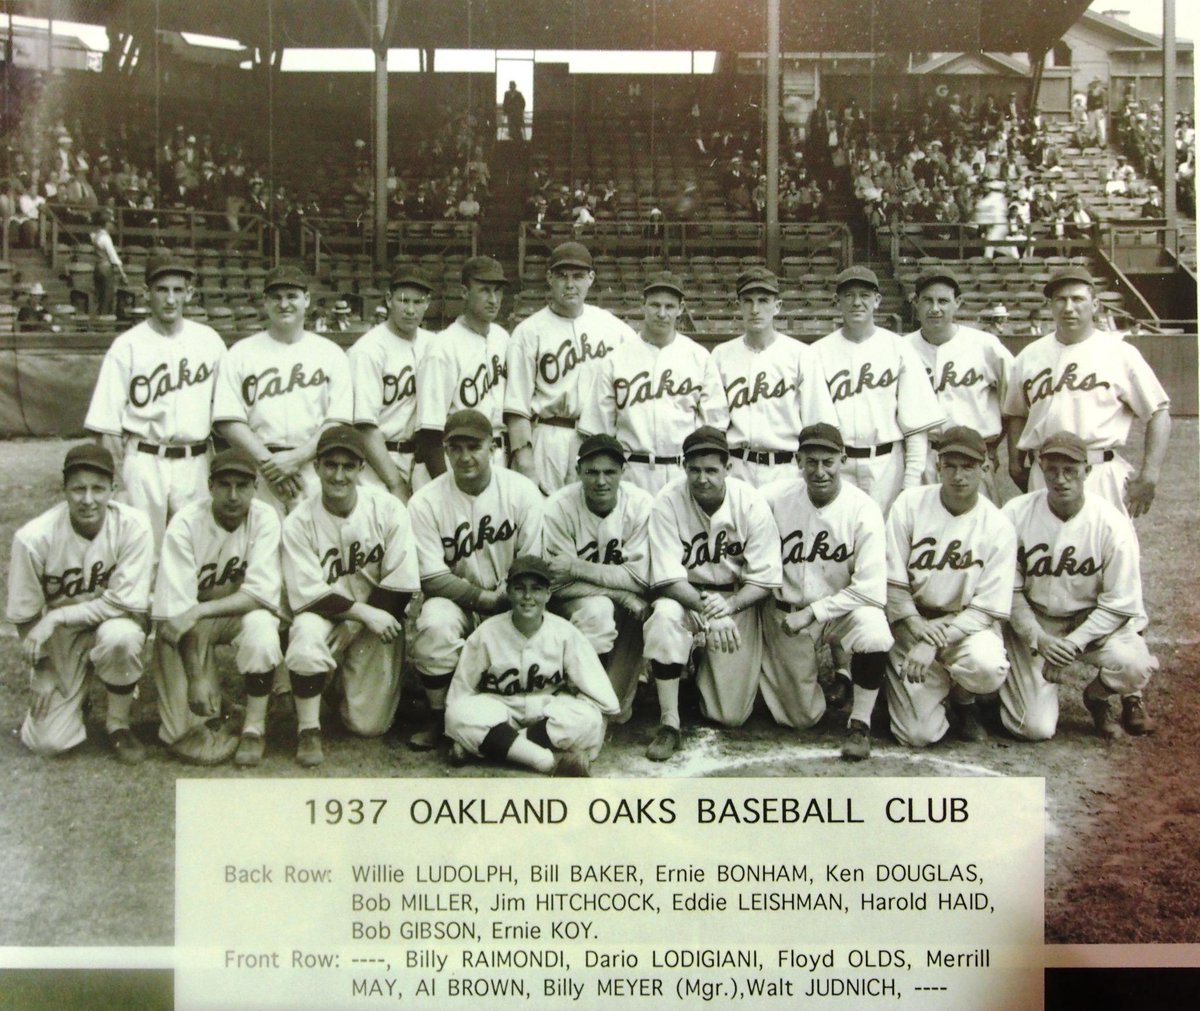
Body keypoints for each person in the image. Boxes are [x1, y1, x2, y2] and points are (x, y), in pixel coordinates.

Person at [1000, 432, 1156, 742]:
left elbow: (1120, 603)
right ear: (1041, 469)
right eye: (1052, 470)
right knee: (1034, 728)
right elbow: (1010, 592)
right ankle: (1000, 691)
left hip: (1091, 621)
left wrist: (1072, 645)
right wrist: (1039, 639)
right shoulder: (1015, 514)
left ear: (1087, 471)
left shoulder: (1111, 523)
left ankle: (1097, 696)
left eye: (1070, 470)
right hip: (1036, 620)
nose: (1061, 479)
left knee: (1135, 666)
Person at [280, 426, 420, 766]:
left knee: (368, 726)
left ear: (361, 469)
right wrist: (360, 616)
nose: (338, 475)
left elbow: (402, 584)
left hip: (376, 615)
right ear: (316, 467)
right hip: (326, 614)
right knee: (306, 635)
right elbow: (307, 595)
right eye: (330, 465)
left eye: (348, 466)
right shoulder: (299, 520)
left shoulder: (388, 509)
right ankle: (308, 728)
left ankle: (339, 684)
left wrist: (356, 625)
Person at [641, 426, 782, 760]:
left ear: (727, 468)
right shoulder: (667, 501)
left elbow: (764, 579)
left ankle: (695, 672)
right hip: (685, 597)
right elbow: (666, 579)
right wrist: (709, 611)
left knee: (729, 715)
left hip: (734, 600)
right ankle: (669, 721)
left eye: (711, 470)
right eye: (694, 470)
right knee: (663, 619)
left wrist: (727, 608)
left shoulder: (750, 502)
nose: (702, 478)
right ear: (683, 466)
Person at [407, 409, 544, 751]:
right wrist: (483, 599)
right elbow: (431, 576)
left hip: (513, 597)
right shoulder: (425, 501)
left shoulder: (522, 491)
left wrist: (507, 596)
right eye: (456, 448)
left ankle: (503, 724)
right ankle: (439, 715)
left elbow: (534, 559)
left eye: (474, 446)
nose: (465, 456)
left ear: (493, 447)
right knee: (435, 622)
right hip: (459, 601)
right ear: (446, 451)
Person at [6, 445, 152, 762]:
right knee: (47, 744)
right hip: (65, 635)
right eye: (78, 489)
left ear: (113, 488)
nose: (88, 499)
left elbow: (125, 603)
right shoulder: (33, 538)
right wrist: (43, 668)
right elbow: (25, 612)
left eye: (98, 488)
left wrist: (55, 618)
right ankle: (76, 700)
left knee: (122, 638)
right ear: (64, 490)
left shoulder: (134, 526)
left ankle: (118, 725)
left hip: (113, 621)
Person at [882, 427, 1016, 758]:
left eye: (968, 466)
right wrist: (916, 629)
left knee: (987, 666)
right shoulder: (909, 505)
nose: (958, 476)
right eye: (951, 465)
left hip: (964, 627)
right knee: (916, 735)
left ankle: (963, 697)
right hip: (911, 623)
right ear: (938, 465)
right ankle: (912, 691)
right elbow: (893, 584)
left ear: (984, 468)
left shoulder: (998, 526)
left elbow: (986, 610)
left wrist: (932, 642)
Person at [1003, 266, 1170, 518]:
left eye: (1078, 299)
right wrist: (1015, 464)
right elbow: (1016, 413)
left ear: (1095, 305)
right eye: (1061, 299)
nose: (1069, 307)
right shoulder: (1029, 356)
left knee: (1105, 551)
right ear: (1050, 305)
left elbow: (1158, 413)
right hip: (1046, 471)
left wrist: (1150, 475)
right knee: (1046, 551)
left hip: (1099, 470)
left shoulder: (1120, 353)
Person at [84, 254, 226, 548]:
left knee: (196, 550)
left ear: (189, 293)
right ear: (147, 293)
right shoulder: (127, 346)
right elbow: (107, 425)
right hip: (145, 460)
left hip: (196, 460)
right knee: (141, 551)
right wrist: (119, 479)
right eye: (162, 289)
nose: (170, 299)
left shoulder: (209, 341)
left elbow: (226, 412)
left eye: (177, 290)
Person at [151, 449, 282, 766]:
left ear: (255, 488)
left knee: (263, 627)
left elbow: (259, 595)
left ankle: (253, 727)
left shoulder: (265, 517)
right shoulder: (184, 524)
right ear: (209, 486)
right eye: (225, 485)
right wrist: (196, 677)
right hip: (193, 628)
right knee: (180, 733)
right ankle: (225, 705)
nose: (233, 495)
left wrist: (198, 610)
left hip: (238, 615)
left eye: (242, 485)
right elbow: (178, 615)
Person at [761, 423, 893, 734]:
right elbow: (735, 504)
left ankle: (860, 719)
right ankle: (818, 678)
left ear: (843, 460)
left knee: (874, 631)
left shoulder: (864, 509)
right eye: (811, 462)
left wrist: (814, 612)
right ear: (799, 462)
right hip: (788, 616)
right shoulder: (773, 498)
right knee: (801, 718)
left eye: (828, 462)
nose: (820, 471)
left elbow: (872, 590)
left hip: (840, 613)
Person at [445, 555, 618, 777]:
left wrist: (593, 738)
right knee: (457, 715)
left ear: (548, 594)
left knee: (588, 718)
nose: (528, 597)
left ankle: (497, 747)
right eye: (519, 588)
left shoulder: (565, 633)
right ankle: (547, 762)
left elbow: (603, 699)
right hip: (500, 711)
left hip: (545, 712)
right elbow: (460, 695)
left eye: (536, 589)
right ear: (508, 592)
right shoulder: (487, 633)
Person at [213, 264, 354, 516]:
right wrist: (270, 465)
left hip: (313, 466)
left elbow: (338, 419)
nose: (284, 304)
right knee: (263, 550)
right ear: (265, 302)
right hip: (259, 468)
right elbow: (229, 420)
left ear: (307, 300)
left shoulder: (330, 353)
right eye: (276, 297)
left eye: (292, 296)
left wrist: (297, 458)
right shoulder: (241, 353)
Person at [578, 272, 729, 496]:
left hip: (683, 471)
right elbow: (598, 429)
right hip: (631, 470)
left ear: (681, 308)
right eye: (655, 305)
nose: (662, 313)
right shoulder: (616, 359)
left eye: (669, 306)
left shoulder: (699, 357)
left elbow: (713, 427)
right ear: (643, 305)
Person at [504, 241, 636, 494]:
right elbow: (517, 405)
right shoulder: (528, 332)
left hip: (598, 437)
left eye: (578, 276)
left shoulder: (614, 328)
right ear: (549, 278)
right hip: (548, 435)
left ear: (591, 279)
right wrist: (525, 460)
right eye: (562, 276)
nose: (570, 284)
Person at [812, 266, 944, 515]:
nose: (857, 302)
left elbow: (916, 429)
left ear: (877, 300)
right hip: (838, 464)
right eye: (848, 295)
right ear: (837, 301)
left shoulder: (899, 348)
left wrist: (910, 484)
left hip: (887, 466)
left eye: (864, 295)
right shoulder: (817, 353)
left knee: (886, 546)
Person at [541, 434, 653, 723]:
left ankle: (597, 697)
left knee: (616, 713)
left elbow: (640, 578)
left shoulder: (640, 505)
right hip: (573, 607)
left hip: (624, 612)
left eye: (609, 472)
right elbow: (555, 583)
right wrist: (619, 593)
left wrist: (577, 568)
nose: (601, 481)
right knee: (598, 611)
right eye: (592, 472)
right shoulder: (557, 508)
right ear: (578, 472)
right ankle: (580, 697)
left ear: (622, 472)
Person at [711, 267, 837, 488]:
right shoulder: (721, 355)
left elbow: (818, 420)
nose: (755, 309)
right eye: (748, 301)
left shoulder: (801, 354)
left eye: (763, 300)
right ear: (738, 305)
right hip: (737, 468)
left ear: (777, 306)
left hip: (787, 469)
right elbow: (715, 423)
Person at [904, 269, 1014, 500]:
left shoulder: (985, 345)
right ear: (916, 303)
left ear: (958, 303)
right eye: (927, 301)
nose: (935, 308)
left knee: (979, 530)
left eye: (943, 301)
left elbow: (1014, 404)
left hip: (972, 456)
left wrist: (992, 446)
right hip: (924, 456)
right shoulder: (902, 348)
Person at [415, 256, 509, 479]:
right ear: (464, 292)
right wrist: (444, 487)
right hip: (457, 460)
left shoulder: (503, 338)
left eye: (498, 291)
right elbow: (429, 431)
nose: (493, 299)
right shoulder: (443, 346)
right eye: (485, 290)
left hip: (497, 455)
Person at [349, 265, 437, 502]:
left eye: (418, 302)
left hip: (421, 461)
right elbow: (365, 426)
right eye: (403, 300)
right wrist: (395, 483)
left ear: (427, 303)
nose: (410, 310)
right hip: (378, 462)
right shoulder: (368, 350)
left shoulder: (434, 344)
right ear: (389, 300)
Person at [90, 209, 128, 317]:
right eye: (111, 223)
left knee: (99, 296)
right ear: (107, 224)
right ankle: (104, 320)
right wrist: (123, 274)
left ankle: (99, 317)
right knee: (107, 296)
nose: (112, 226)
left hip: (97, 268)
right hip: (106, 268)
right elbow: (113, 257)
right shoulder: (105, 238)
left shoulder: (94, 236)